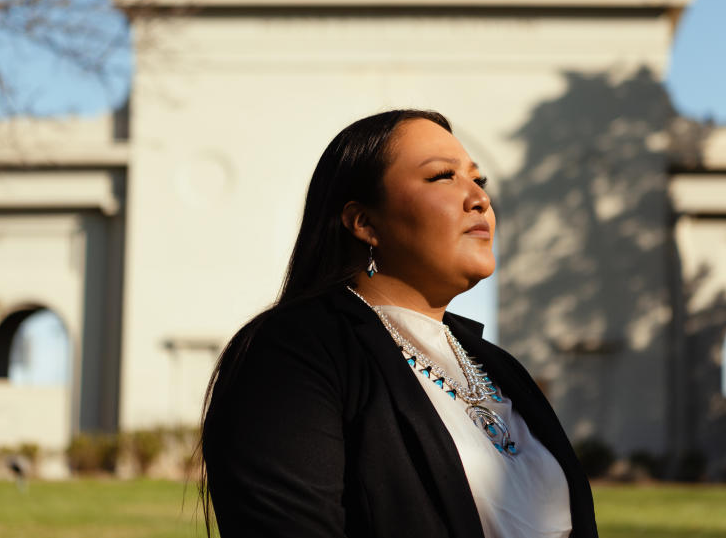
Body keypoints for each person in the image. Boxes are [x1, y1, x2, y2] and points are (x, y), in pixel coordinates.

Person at [200, 109, 599, 538]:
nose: (480, 198)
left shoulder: (499, 367)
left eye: (478, 180)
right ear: (365, 222)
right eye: (443, 176)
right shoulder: (291, 353)